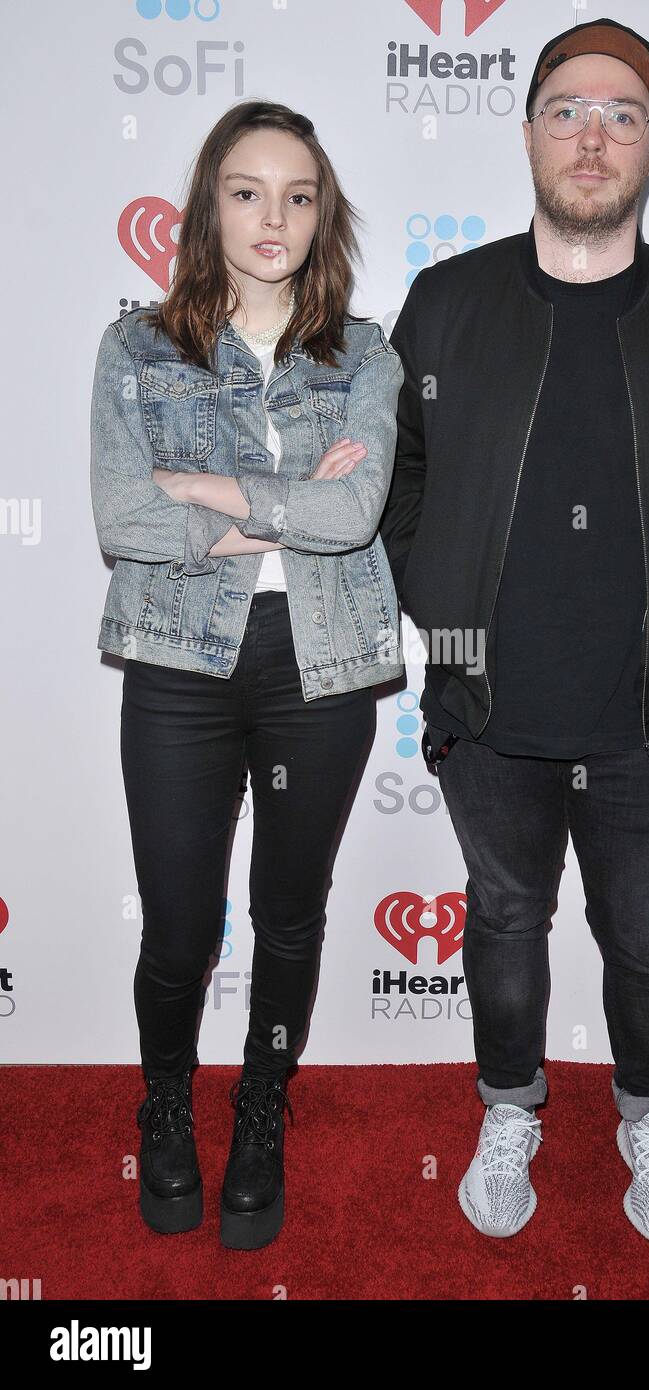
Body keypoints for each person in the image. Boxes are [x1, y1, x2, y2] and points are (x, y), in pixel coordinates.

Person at [379, 18, 649, 1244]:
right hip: (484, 714)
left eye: (618, 113)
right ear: (527, 133)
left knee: (647, 945)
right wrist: (438, 608)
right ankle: (511, 1107)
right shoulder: (444, 305)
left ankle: (646, 1114)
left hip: (646, 720)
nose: (590, 135)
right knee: (501, 924)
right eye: (565, 108)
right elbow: (393, 483)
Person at [90, 100, 404, 1250]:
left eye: (298, 194)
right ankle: (166, 1102)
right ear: (207, 203)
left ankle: (259, 1110)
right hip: (178, 663)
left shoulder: (363, 354)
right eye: (245, 189)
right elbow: (125, 520)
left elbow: (356, 509)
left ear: (321, 215)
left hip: (315, 668)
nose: (271, 215)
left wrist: (210, 492)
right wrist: (284, 508)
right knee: (178, 927)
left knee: (287, 917)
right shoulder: (137, 347)